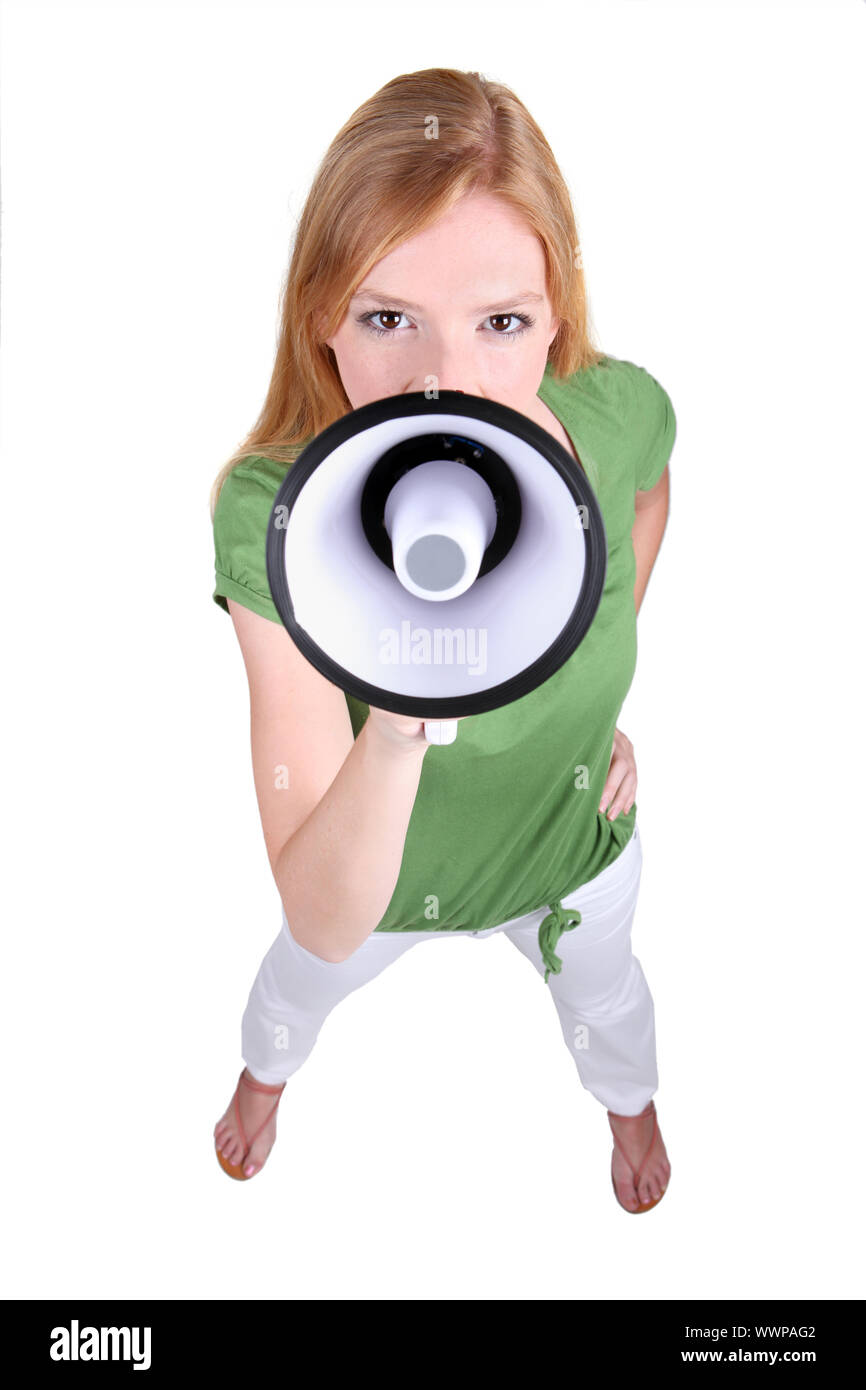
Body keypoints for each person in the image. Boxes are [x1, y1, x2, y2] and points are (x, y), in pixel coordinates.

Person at [210, 68, 675, 1212]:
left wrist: (595, 677)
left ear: (557, 311)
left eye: (501, 322)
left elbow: (649, 489)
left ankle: (630, 1108)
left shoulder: (613, 411)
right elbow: (321, 915)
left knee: (607, 1001)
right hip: (378, 880)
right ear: (320, 315)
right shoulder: (270, 517)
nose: (444, 384)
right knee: (295, 988)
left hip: (566, 848)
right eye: (385, 318)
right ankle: (263, 1081)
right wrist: (401, 721)